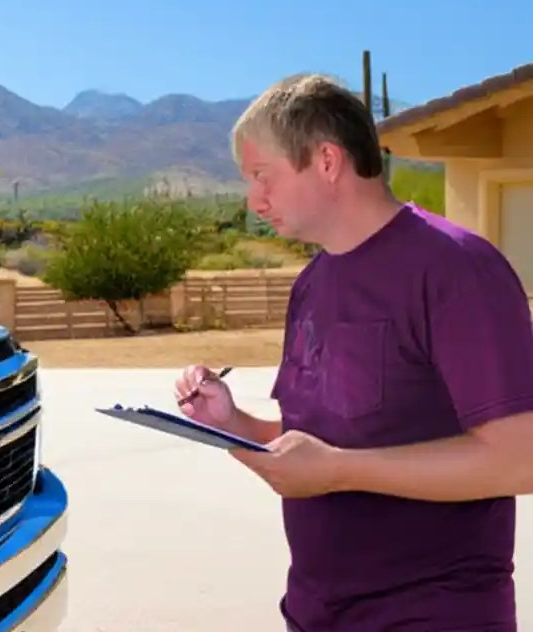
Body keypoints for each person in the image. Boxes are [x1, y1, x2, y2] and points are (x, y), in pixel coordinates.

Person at [174, 73, 533, 631]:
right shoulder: (312, 283)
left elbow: (519, 459)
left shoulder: (456, 269)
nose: (253, 199)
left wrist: (339, 472)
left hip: (435, 613)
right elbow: (313, 444)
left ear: (326, 161)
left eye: (262, 175)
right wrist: (233, 422)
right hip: (315, 611)